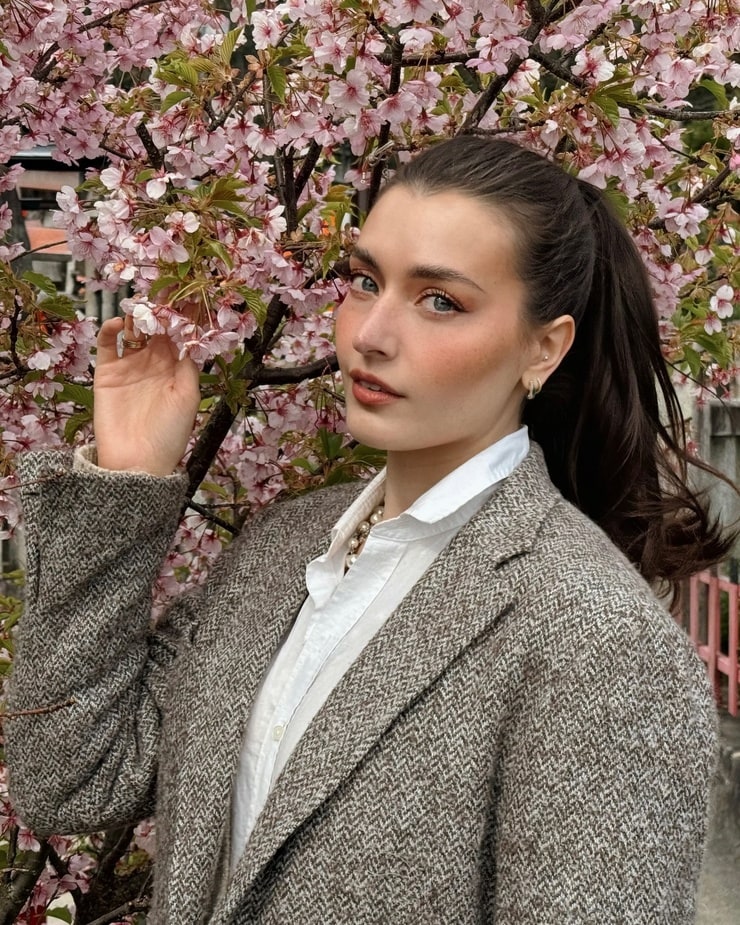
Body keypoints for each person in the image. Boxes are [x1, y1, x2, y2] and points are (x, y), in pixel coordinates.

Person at [5, 136, 733, 924]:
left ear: (543, 347)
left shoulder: (597, 640)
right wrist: (129, 477)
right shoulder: (284, 548)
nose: (370, 334)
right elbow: (69, 776)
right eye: (363, 281)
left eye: (439, 300)